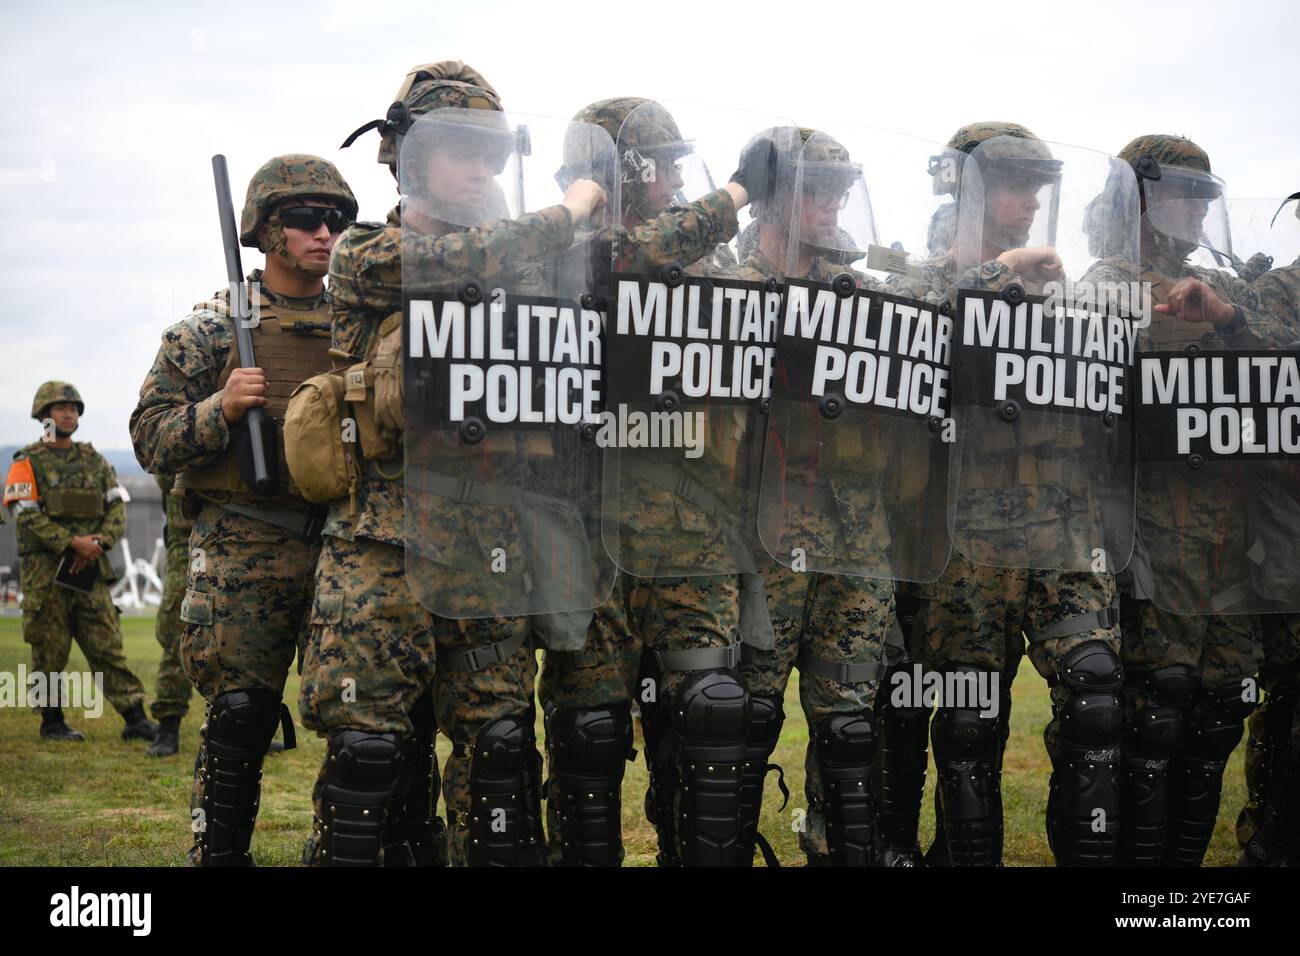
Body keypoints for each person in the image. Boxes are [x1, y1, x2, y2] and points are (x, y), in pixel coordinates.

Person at [300, 61, 605, 866]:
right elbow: (464, 261)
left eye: (493, 155)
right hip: (382, 544)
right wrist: (566, 214)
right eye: (463, 152)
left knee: (501, 752)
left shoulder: (530, 274)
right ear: (409, 160)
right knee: (371, 759)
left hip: (490, 546)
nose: (483, 171)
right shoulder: (366, 254)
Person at [536, 96, 775, 866]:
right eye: (662, 163)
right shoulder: (563, 252)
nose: (677, 177)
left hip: (695, 533)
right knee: (589, 734)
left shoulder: (716, 267)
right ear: (616, 174)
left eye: (682, 162)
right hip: (590, 538)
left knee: (708, 725)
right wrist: (738, 192)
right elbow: (630, 256)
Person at [888, 123, 1127, 867]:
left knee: (1096, 698)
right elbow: (902, 320)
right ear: (969, 188)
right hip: (968, 544)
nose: (1031, 201)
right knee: (967, 724)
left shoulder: (1061, 294)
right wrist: (999, 273)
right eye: (1015, 184)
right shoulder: (926, 281)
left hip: (1061, 527)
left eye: (1037, 186)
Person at [131, 153, 357, 865]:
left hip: (346, 548)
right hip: (244, 546)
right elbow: (148, 436)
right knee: (239, 719)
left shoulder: (360, 327)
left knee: (365, 721)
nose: (325, 233)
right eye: (305, 219)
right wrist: (218, 409)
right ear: (264, 230)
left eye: (337, 220)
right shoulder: (210, 328)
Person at [1083, 134, 1286, 866]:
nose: (1198, 213)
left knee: (1218, 716)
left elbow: (1278, 390)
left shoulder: (1213, 288)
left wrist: (1230, 321)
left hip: (1229, 542)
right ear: (1137, 199)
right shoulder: (1102, 284)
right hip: (1152, 539)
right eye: (1182, 196)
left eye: (1206, 199)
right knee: (1155, 712)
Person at [4, 381, 157, 744]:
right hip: (47, 575)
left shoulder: (95, 461)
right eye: (60, 408)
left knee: (107, 644)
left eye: (74, 408)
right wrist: (72, 543)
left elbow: (116, 508)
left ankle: (135, 718)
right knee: (49, 649)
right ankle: (52, 722)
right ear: (43, 415)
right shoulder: (26, 461)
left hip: (89, 571)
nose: (69, 413)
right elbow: (23, 514)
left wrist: (99, 543)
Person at [146, 474, 195, 757]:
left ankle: (245, 723)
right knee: (177, 630)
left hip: (242, 533)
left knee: (241, 635)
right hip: (188, 538)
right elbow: (166, 469)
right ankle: (168, 725)